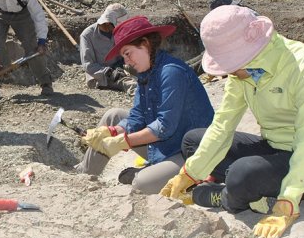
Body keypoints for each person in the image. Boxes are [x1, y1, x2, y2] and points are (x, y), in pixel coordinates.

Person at [160, 5, 304, 238]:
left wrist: (288, 201)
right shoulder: (243, 71)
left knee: (243, 174)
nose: (226, 73)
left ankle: (227, 196)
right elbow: (223, 123)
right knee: (192, 141)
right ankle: (248, 189)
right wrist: (189, 173)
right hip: (276, 147)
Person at [75, 16, 214, 192]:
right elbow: (137, 117)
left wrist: (123, 141)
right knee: (113, 116)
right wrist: (112, 132)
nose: (126, 62)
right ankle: (84, 174)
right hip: (165, 146)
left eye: (128, 53)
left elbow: (164, 127)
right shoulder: (145, 74)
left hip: (191, 152)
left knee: (142, 184)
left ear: (146, 44)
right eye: (123, 57)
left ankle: (151, 173)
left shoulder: (172, 73)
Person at [79, 3, 136, 95]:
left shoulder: (118, 31)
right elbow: (88, 65)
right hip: (102, 76)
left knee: (146, 71)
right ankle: (145, 97)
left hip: (120, 67)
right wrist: (110, 72)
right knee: (131, 84)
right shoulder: (87, 36)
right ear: (108, 23)